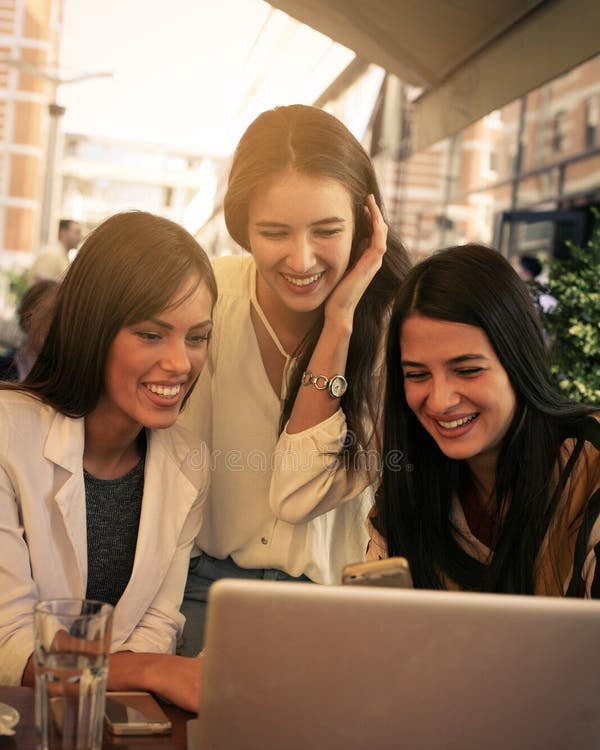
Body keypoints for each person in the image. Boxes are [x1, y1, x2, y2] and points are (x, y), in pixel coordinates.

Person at [180, 104, 411, 650]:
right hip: (204, 596)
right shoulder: (206, 300)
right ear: (243, 228)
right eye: (274, 232)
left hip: (335, 607)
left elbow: (297, 497)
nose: (300, 259)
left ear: (364, 224)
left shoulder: (391, 329)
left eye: (327, 230)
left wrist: (338, 325)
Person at [0, 210, 217, 710]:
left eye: (197, 337)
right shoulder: (9, 435)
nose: (181, 363)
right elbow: (14, 651)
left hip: (112, 728)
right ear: (92, 330)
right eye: (151, 334)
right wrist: (151, 670)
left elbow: (157, 626)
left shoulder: (189, 464)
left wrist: (138, 676)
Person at [368, 243, 599, 598]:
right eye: (417, 375)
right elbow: (375, 633)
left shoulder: (591, 463)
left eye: (468, 370)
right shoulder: (405, 493)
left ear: (518, 361)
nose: (441, 401)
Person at [6, 279, 58, 380]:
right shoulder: (6, 368)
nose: (53, 322)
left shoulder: (65, 374)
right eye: (48, 312)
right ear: (27, 318)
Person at [30, 219, 82, 283]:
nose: (80, 237)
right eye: (77, 233)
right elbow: (40, 282)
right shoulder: (52, 254)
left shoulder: (63, 255)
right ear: (63, 233)